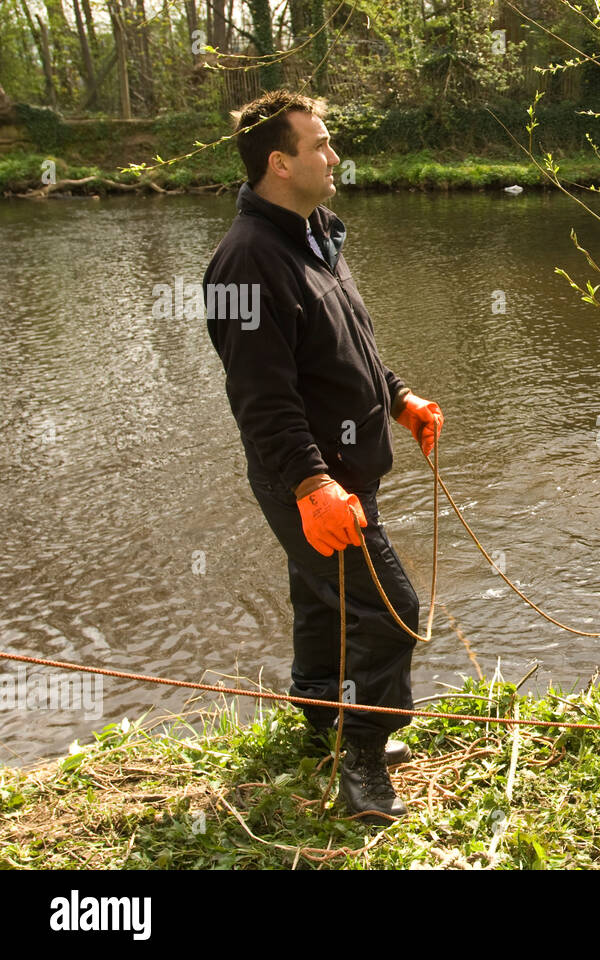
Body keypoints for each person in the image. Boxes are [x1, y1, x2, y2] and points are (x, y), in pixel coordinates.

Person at [204, 90, 442, 824]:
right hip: (305, 478)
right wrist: (311, 484)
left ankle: (317, 727)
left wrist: (398, 397)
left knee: (321, 597)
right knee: (394, 611)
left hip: (348, 469)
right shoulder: (245, 266)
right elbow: (263, 400)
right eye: (320, 145)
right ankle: (364, 767)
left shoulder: (318, 231)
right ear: (280, 163)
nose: (333, 157)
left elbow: (348, 341)